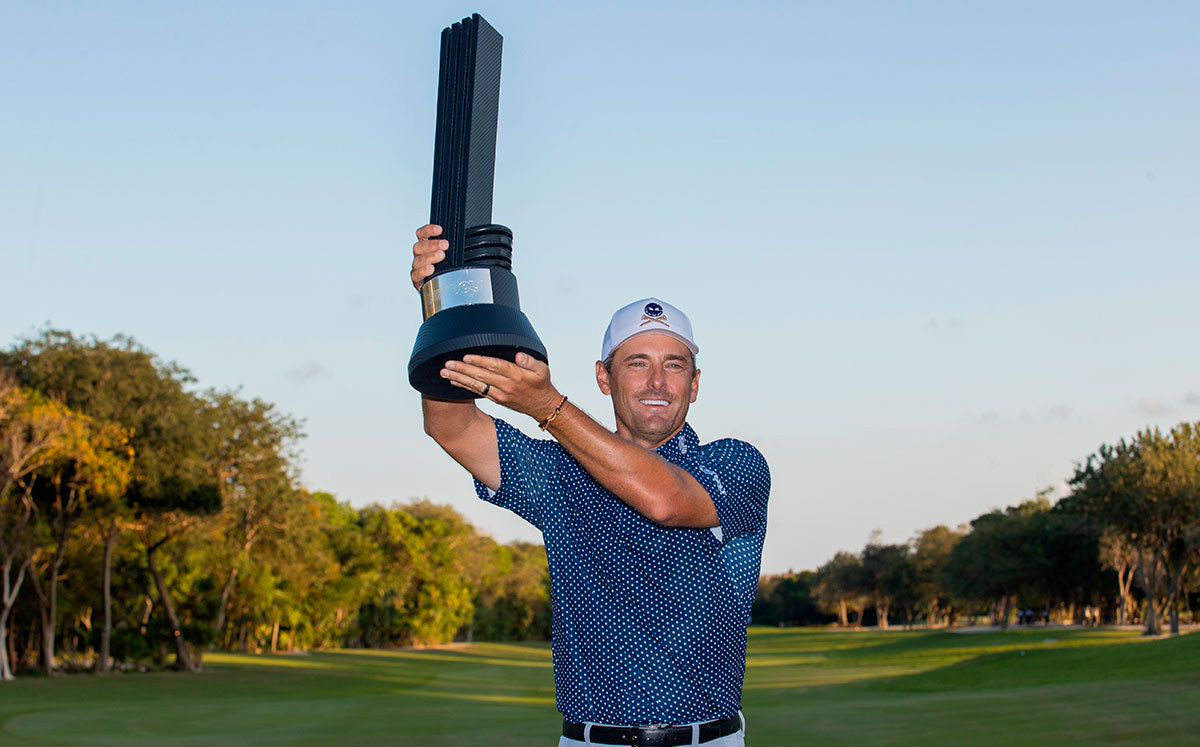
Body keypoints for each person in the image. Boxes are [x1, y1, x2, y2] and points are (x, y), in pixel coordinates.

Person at [411, 224, 771, 746]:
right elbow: (452, 425)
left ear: (694, 385)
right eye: (637, 364)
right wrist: (442, 305)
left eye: (674, 366)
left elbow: (666, 501)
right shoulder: (562, 473)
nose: (656, 382)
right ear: (604, 377)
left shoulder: (736, 464)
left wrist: (547, 406)